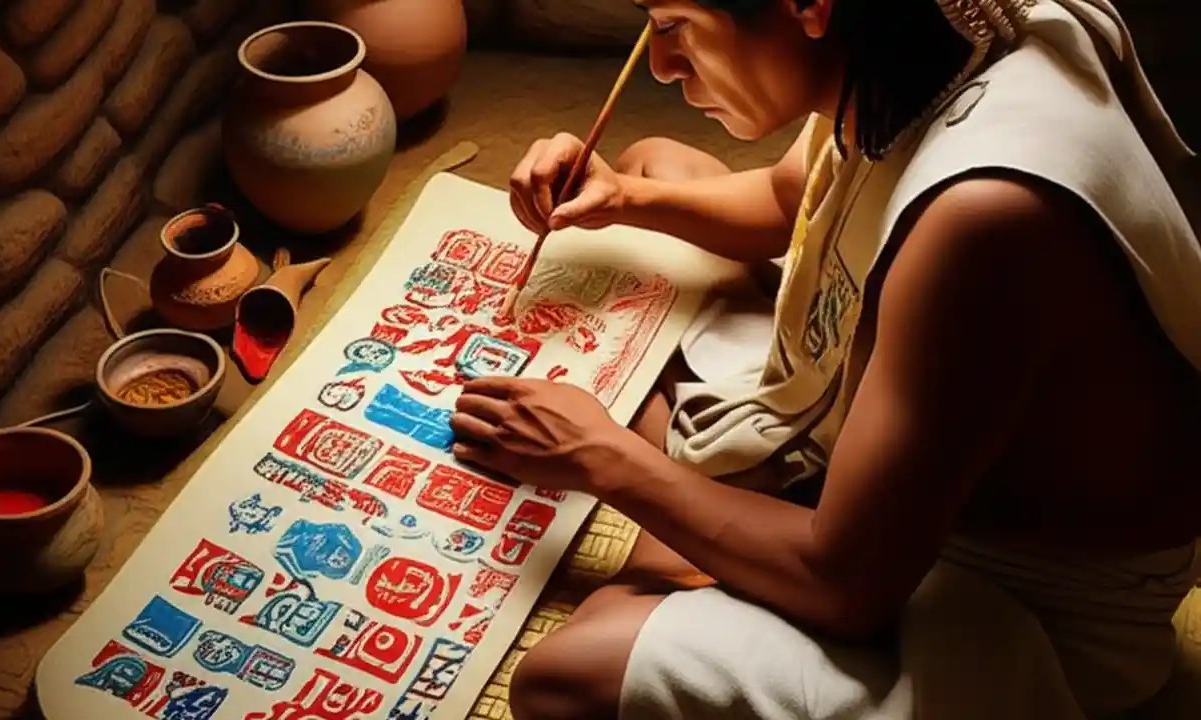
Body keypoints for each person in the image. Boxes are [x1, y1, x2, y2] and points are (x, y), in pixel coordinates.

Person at [450, 1, 1201, 718]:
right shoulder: (918, 38)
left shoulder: (985, 215)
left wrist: (600, 457)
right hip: (918, 447)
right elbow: (789, 201)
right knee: (654, 170)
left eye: (674, 24)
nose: (661, 65)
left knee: (567, 676)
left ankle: (701, 556)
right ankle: (712, 531)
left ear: (809, 5)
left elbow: (846, 584)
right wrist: (621, 197)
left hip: (1012, 599)